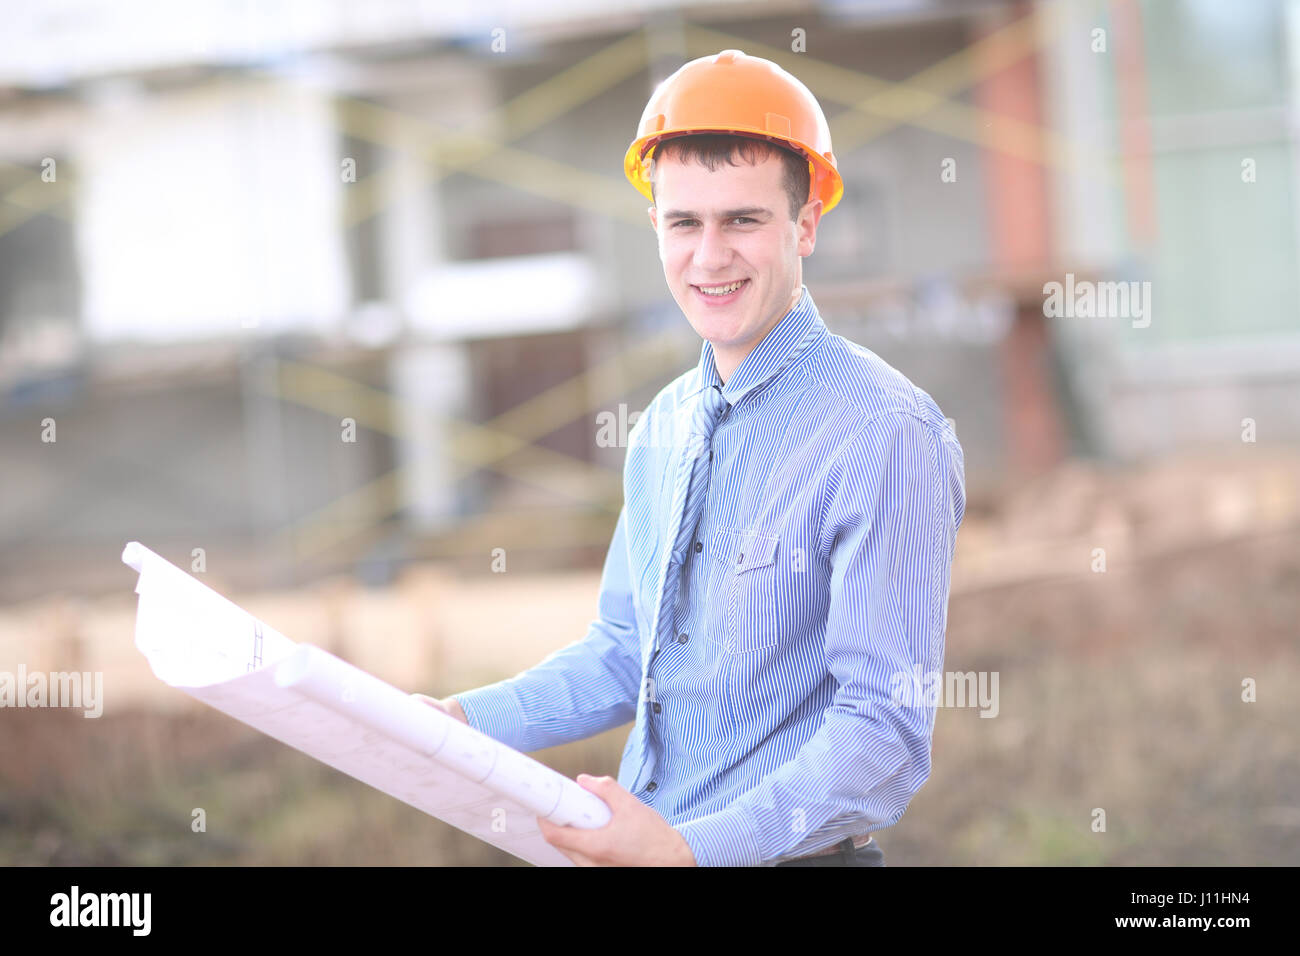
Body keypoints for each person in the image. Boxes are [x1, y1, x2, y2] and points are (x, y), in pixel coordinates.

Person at [414, 49, 965, 867]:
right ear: (655, 227)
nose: (709, 256)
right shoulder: (663, 427)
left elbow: (882, 729)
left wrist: (691, 850)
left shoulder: (883, 432)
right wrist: (459, 723)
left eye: (743, 220)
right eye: (685, 222)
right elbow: (623, 653)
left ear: (806, 223)